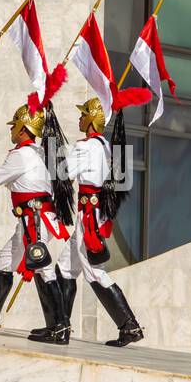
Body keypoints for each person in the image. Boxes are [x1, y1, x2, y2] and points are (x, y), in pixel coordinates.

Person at [0, 102, 75, 344]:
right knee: (6, 260)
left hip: (34, 220)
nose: (11, 131)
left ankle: (60, 327)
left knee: (42, 267)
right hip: (34, 219)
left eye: (13, 126)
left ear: (23, 127)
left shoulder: (22, 155)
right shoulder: (39, 153)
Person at [57, 98, 145, 346]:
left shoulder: (86, 147)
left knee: (94, 272)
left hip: (89, 215)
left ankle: (129, 326)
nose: (79, 118)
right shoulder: (104, 145)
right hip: (94, 212)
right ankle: (60, 326)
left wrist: (50, 156)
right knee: (64, 268)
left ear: (92, 119)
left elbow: (63, 173)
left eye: (83, 114)